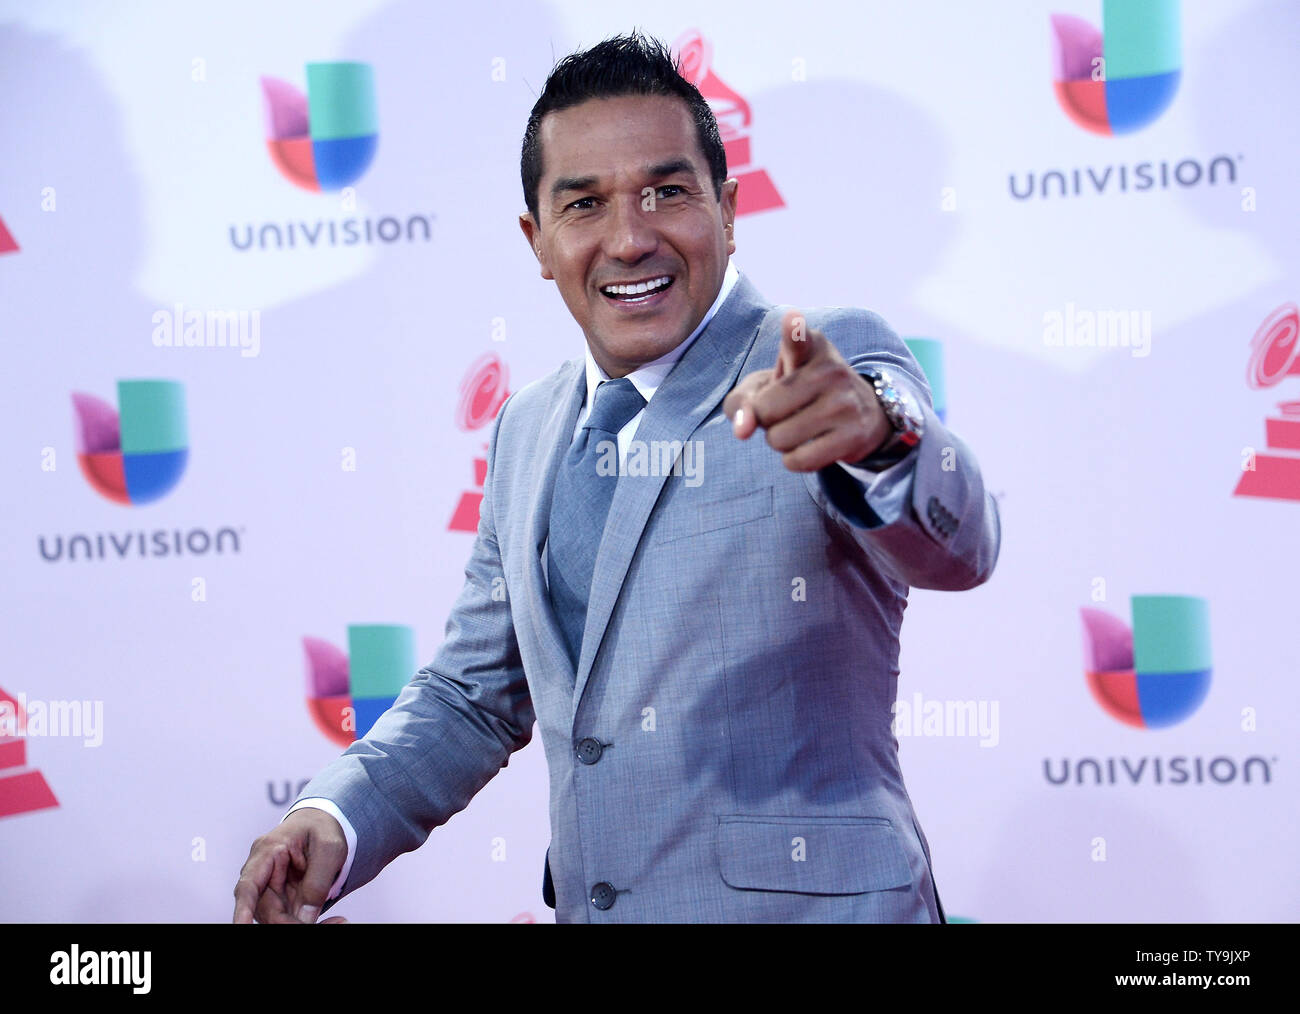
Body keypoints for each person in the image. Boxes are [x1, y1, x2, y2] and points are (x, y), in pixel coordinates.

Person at [233, 31, 1000, 925]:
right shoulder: (525, 428)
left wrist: (879, 434)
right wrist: (335, 816)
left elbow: (964, 539)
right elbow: (473, 693)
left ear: (728, 209)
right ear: (539, 239)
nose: (631, 239)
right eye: (585, 204)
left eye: (667, 192)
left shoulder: (823, 361)